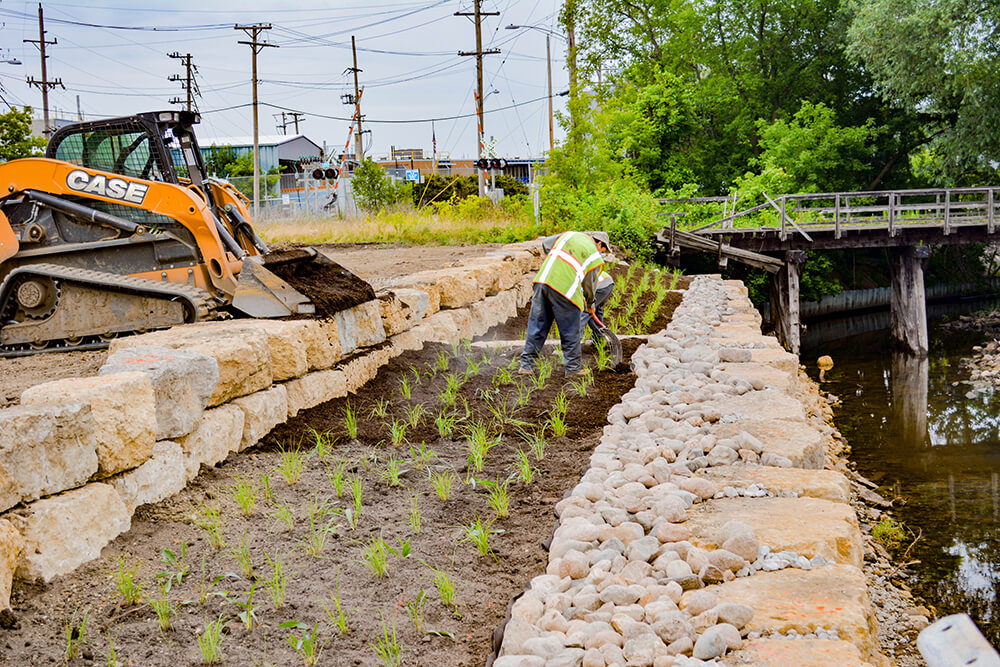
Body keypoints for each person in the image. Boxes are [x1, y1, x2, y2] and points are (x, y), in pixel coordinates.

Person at [519, 230, 608, 376]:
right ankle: (573, 369)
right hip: (564, 289)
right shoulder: (592, 252)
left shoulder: (570, 235)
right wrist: (591, 305)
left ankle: (526, 366)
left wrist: (558, 263)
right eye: (602, 250)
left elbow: (546, 243)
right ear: (599, 243)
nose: (601, 253)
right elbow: (590, 284)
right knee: (570, 330)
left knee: (537, 326)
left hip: (543, 281)